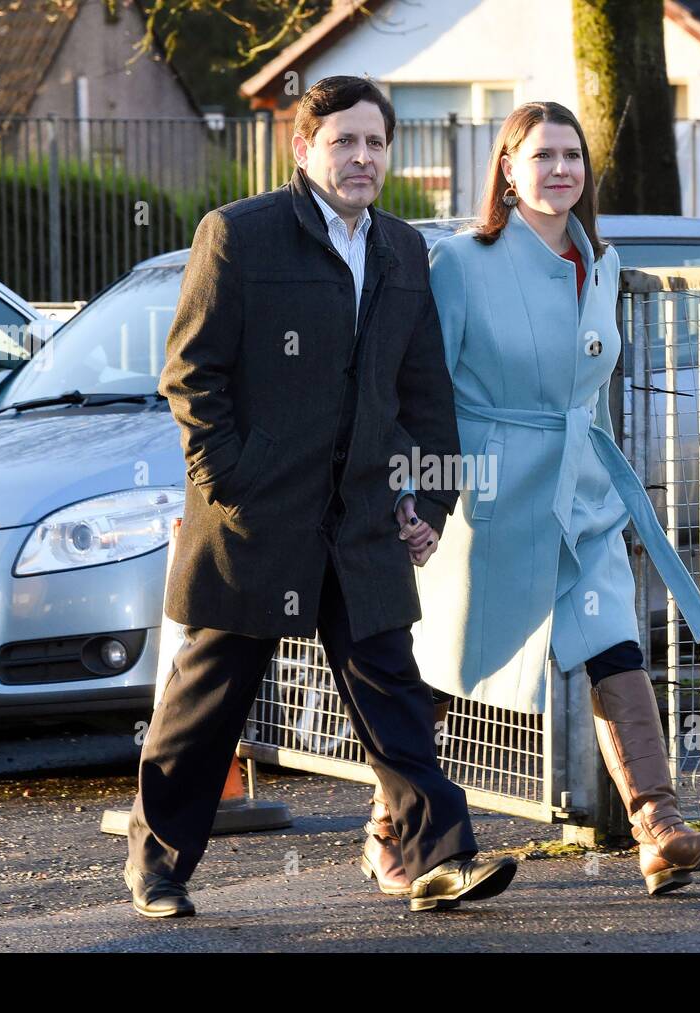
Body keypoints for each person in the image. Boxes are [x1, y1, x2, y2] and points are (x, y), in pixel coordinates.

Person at [124, 76, 517, 917]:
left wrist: (433, 501)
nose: (364, 157)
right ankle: (157, 867)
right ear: (303, 148)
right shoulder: (240, 235)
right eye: (345, 141)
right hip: (255, 519)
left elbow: (425, 394)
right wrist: (229, 481)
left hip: (361, 520)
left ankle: (440, 853)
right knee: (208, 701)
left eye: (376, 142)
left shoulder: (406, 250)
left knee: (392, 693)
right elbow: (191, 376)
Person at [407, 101, 700, 897]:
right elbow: (423, 385)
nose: (561, 169)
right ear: (507, 167)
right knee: (448, 667)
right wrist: (422, 491)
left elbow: (586, 392)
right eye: (542, 155)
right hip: (488, 494)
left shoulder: (601, 259)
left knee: (611, 642)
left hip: (579, 489)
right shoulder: (461, 261)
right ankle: (396, 835)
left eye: (572, 154)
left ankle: (660, 828)